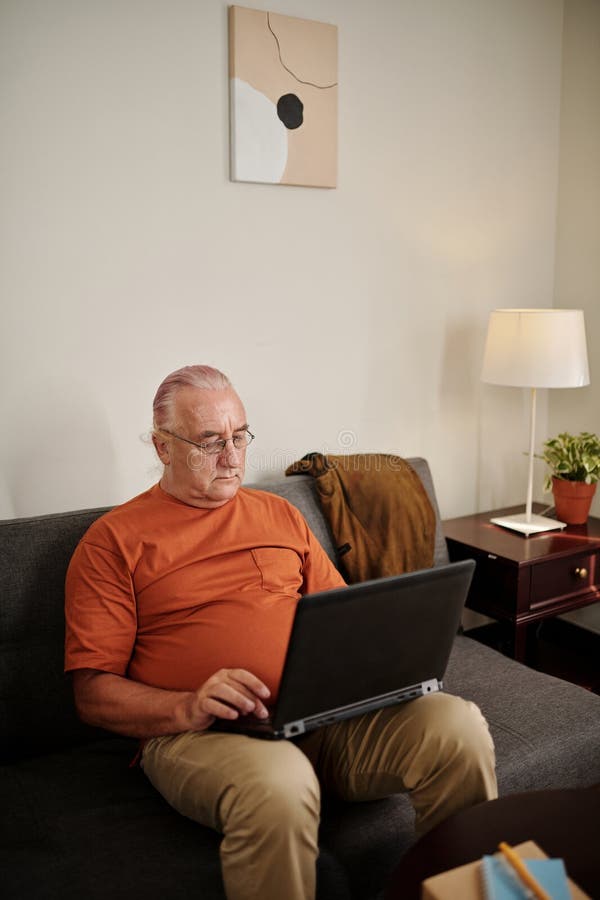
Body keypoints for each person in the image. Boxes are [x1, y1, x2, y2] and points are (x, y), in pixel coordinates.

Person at [65, 365, 497, 900]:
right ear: (162, 448)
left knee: (458, 726)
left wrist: (389, 665)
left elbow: (346, 618)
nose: (231, 456)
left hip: (321, 718)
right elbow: (91, 694)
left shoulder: (280, 514)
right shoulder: (112, 542)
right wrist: (189, 705)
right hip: (200, 737)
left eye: (239, 436)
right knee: (281, 782)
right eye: (209, 441)